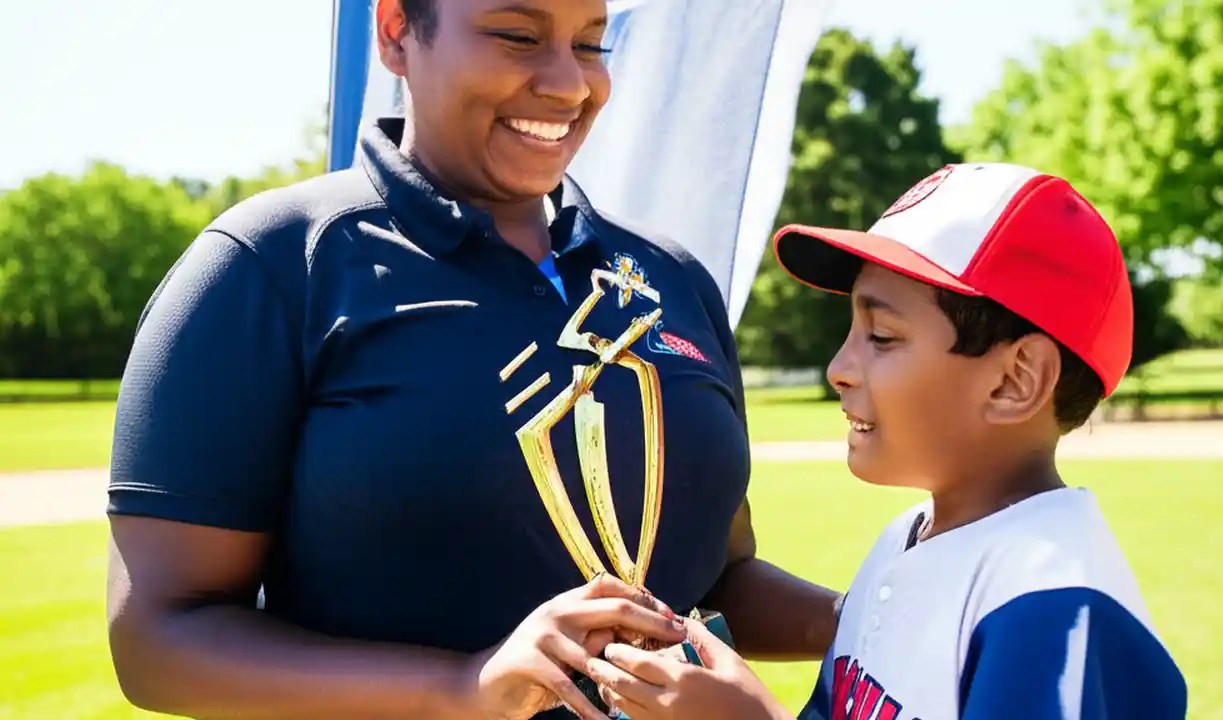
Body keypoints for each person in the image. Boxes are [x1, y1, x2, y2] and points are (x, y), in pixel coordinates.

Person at [104, 1, 840, 718]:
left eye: (591, 43)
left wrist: (862, 618)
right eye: (518, 35)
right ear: (397, 31)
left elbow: (719, 577)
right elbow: (158, 640)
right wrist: (461, 689)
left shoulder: (670, 277)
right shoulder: (271, 265)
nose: (569, 84)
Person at [584, 163, 1189, 719]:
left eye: (882, 336)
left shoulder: (1059, 604)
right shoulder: (908, 540)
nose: (839, 368)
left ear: (1015, 380)